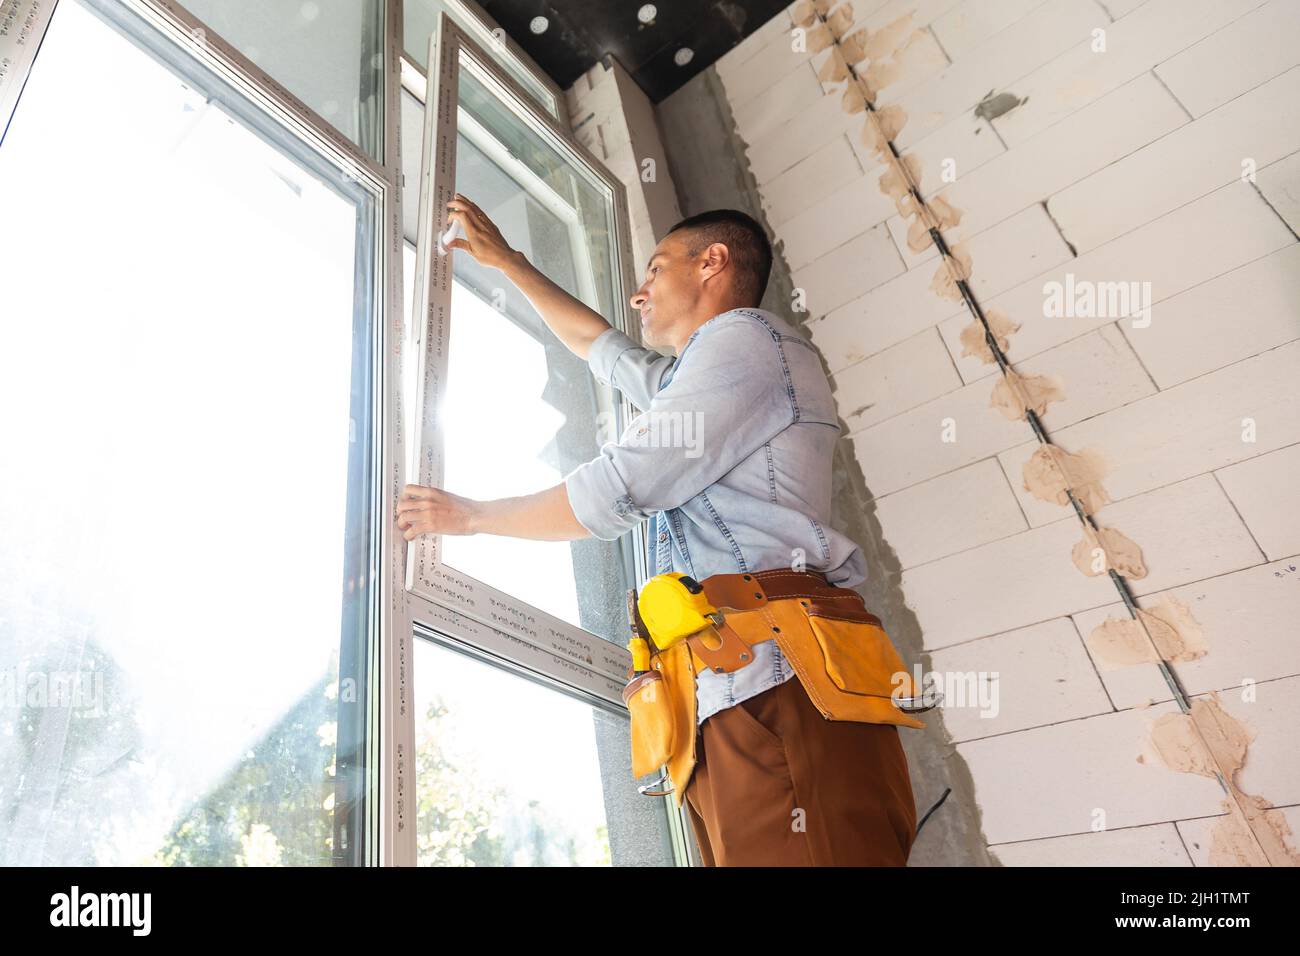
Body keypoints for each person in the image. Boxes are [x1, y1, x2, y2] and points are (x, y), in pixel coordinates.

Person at [397, 194, 918, 865]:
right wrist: (510, 265)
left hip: (773, 683)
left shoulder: (748, 342)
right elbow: (600, 348)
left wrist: (471, 517)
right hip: (727, 691)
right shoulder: (707, 378)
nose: (639, 295)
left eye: (655, 268)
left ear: (713, 263)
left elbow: (619, 489)